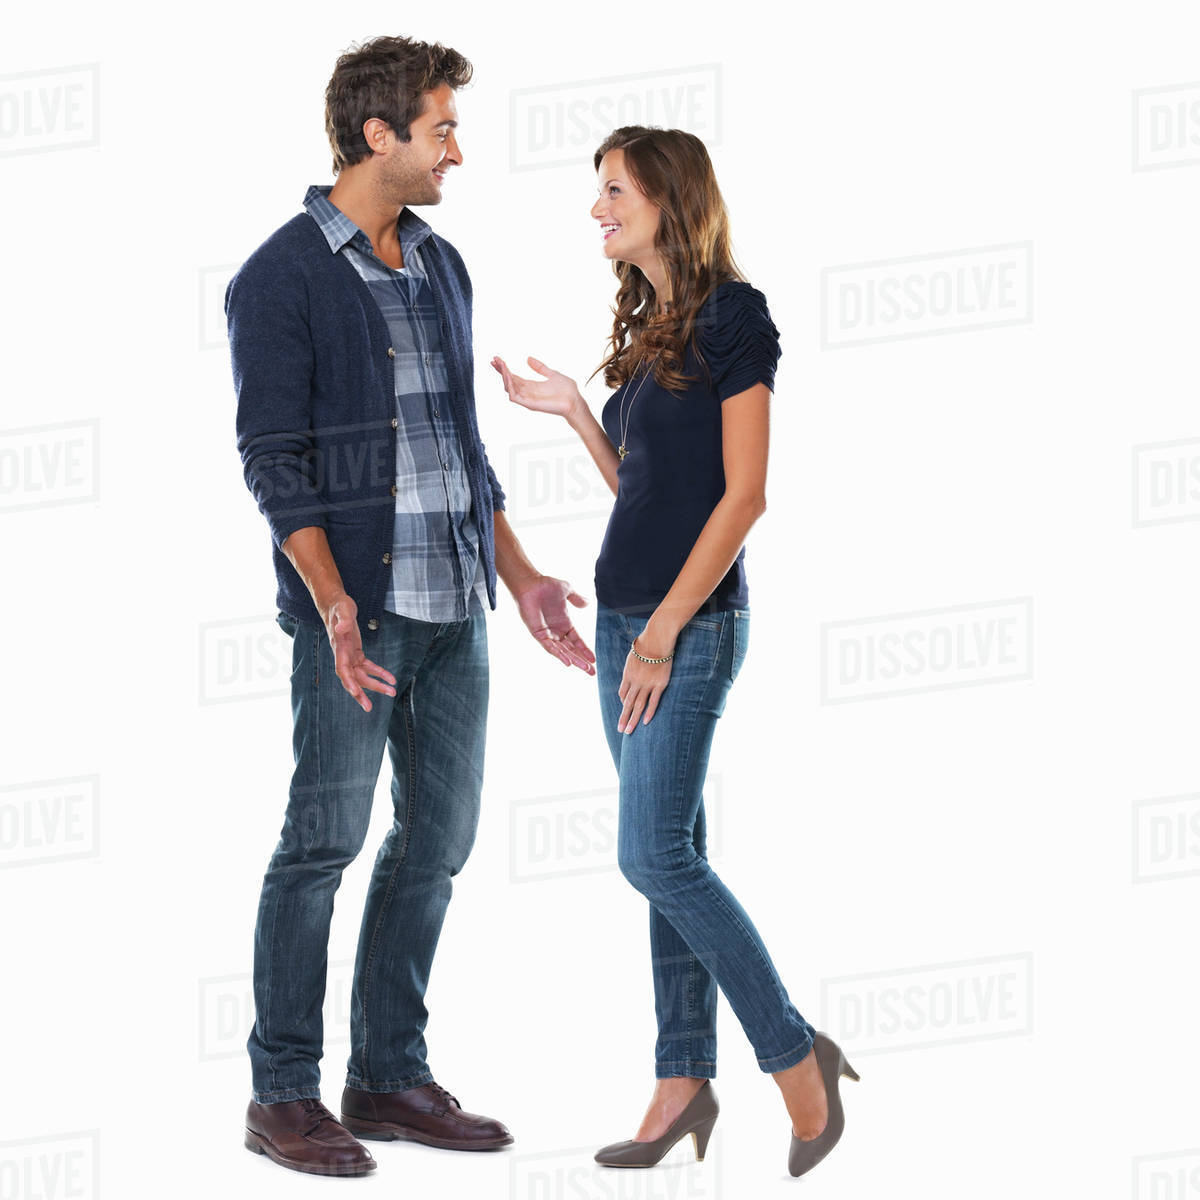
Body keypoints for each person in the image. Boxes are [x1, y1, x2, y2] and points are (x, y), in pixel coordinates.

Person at [226, 35, 595, 1177]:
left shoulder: (442, 265)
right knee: (322, 844)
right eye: (442, 130)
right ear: (377, 134)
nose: (457, 153)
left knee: (438, 841)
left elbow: (461, 453)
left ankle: (386, 1074)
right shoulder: (278, 278)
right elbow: (273, 463)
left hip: (456, 611)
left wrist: (523, 576)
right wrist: (332, 602)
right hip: (360, 621)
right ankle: (283, 1093)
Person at [491, 125, 859, 1178]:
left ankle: (794, 1055)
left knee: (653, 855)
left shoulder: (735, 316)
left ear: (669, 198)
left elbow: (744, 499)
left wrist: (659, 636)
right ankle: (683, 1079)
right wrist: (579, 414)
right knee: (671, 854)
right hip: (628, 626)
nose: (596, 209)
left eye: (614, 190)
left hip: (682, 631)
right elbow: (646, 495)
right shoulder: (655, 333)